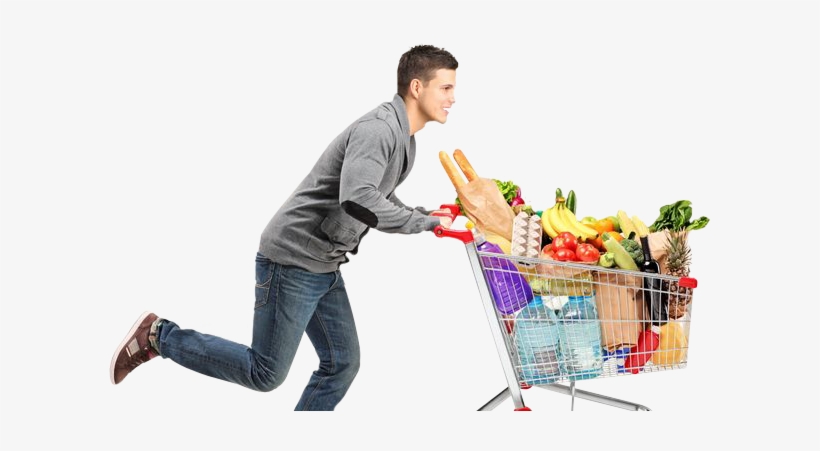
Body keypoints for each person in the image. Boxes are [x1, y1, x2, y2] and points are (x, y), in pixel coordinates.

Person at [110, 45, 458, 411]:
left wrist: (425, 213)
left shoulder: (405, 139)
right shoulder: (380, 130)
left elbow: (377, 194)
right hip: (293, 259)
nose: (453, 97)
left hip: (322, 261)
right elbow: (358, 201)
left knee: (342, 363)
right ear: (417, 87)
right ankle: (158, 336)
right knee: (265, 372)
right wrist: (424, 223)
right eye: (446, 88)